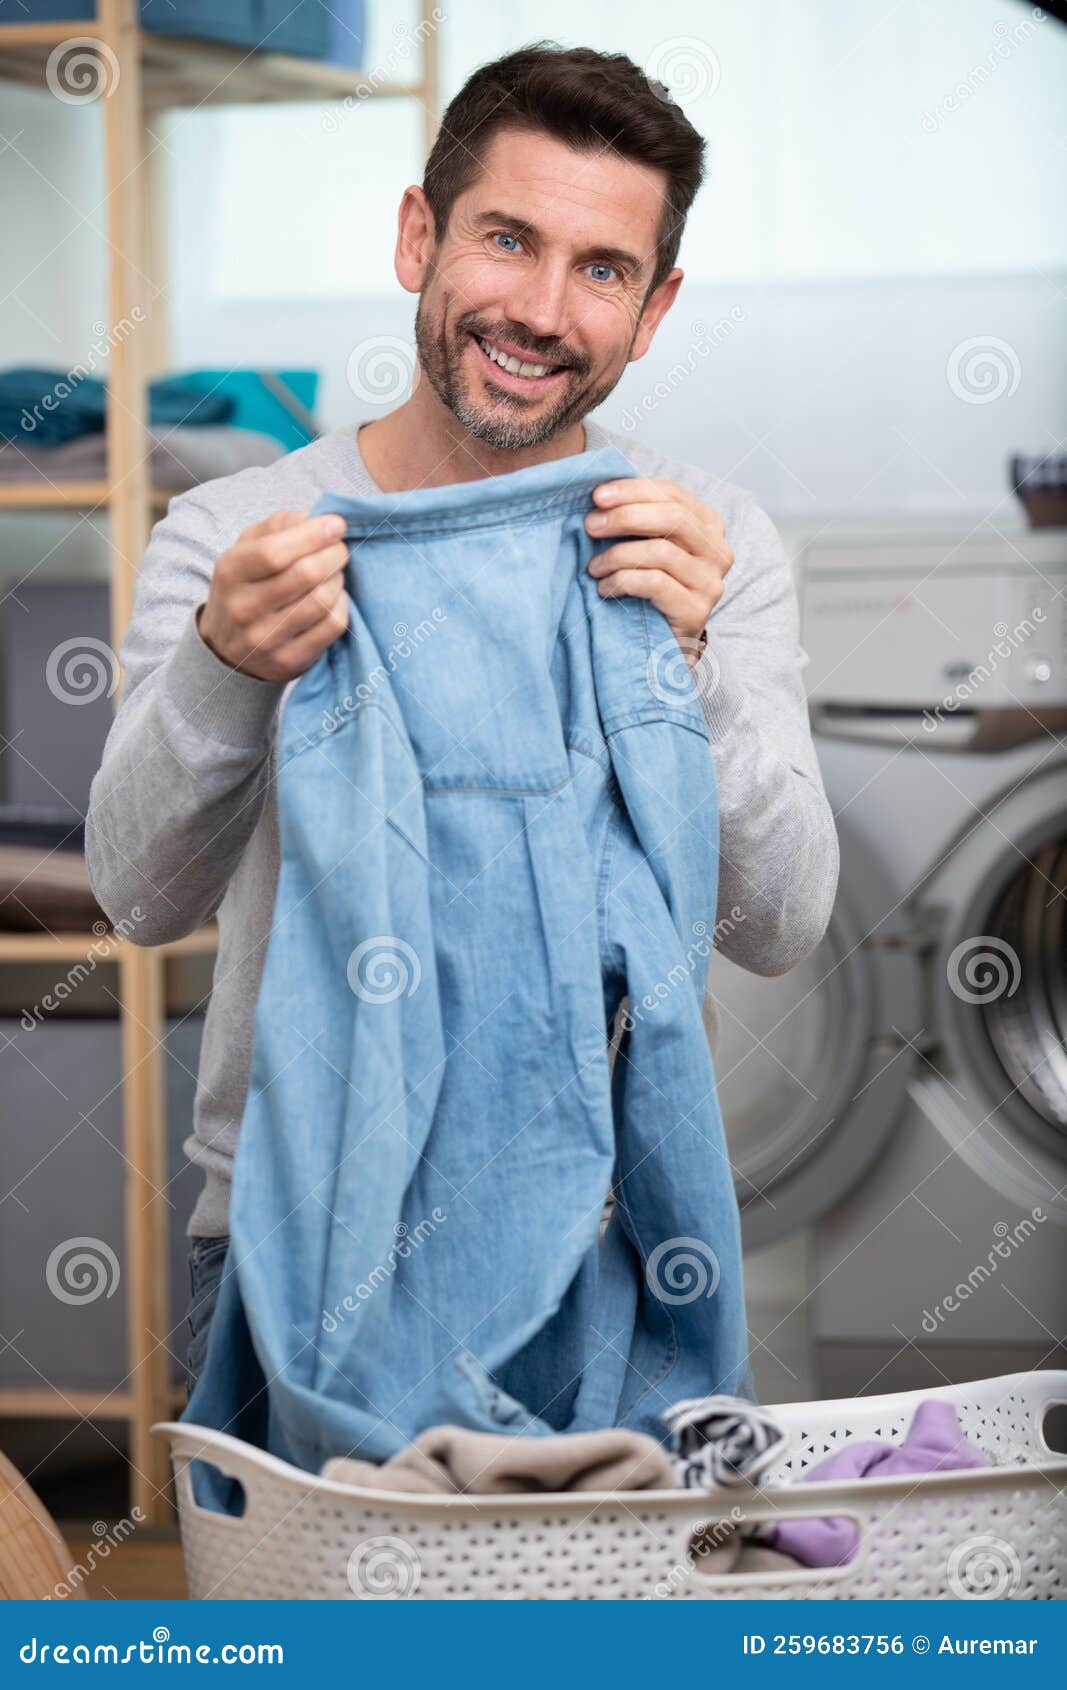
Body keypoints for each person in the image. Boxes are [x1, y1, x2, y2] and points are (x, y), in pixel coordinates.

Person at [83, 43, 840, 1400]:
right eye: (507, 238)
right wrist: (224, 664)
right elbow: (138, 898)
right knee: (324, 1627)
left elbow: (782, 923)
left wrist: (694, 661)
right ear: (418, 236)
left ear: (654, 309)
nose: (543, 310)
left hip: (614, 1241)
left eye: (602, 269)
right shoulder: (237, 534)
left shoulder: (700, 544)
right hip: (287, 1234)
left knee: (590, 1625)